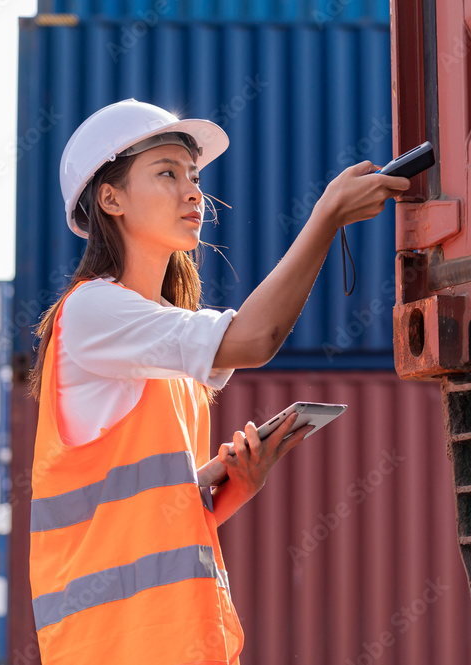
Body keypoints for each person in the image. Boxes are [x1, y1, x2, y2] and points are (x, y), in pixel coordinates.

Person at [26, 99, 409, 665]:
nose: (192, 192)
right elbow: (258, 338)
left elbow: (151, 524)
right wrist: (326, 216)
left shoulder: (160, 355)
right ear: (111, 198)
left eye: (194, 176)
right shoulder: (91, 314)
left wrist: (232, 486)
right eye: (167, 173)